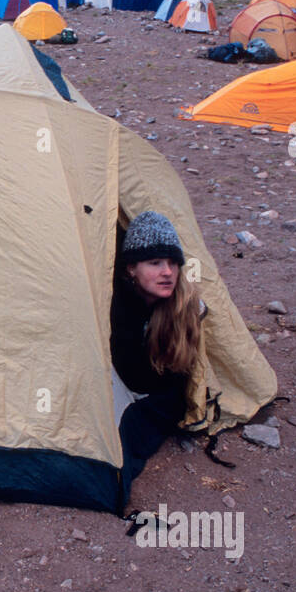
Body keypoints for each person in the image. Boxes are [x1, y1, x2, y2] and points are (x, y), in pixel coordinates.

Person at [110, 211, 205, 516]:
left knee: (163, 405)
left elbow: (178, 376)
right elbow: (131, 373)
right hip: (120, 384)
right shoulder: (115, 305)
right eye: (154, 263)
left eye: (172, 263)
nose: (167, 272)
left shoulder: (182, 307)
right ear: (131, 269)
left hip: (149, 391)